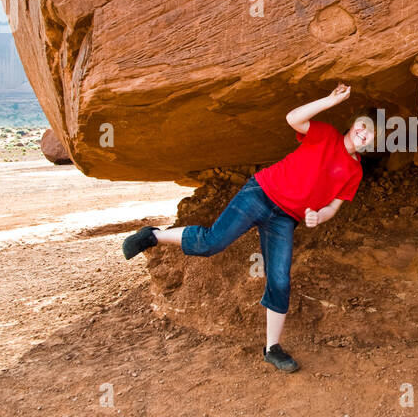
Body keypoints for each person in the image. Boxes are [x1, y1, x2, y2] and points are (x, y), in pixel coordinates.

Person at [122, 84, 373, 372]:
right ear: (353, 124)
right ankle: (152, 236)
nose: (364, 133)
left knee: (279, 281)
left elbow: (332, 207)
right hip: (260, 193)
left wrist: (320, 216)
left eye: (371, 133)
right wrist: (329, 101)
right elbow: (293, 119)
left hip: (285, 218)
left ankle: (272, 348)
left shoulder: (355, 171)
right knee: (211, 243)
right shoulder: (325, 135)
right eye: (362, 125)